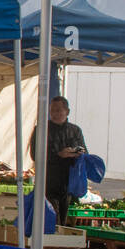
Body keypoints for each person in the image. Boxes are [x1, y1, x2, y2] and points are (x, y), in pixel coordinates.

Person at [30, 95, 87, 224]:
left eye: (58, 110)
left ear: (67, 112)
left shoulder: (75, 130)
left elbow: (84, 153)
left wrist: (75, 153)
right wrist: (59, 155)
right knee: (52, 218)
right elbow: (34, 154)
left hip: (68, 183)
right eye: (52, 111)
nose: (55, 114)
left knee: (63, 220)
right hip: (48, 181)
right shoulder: (41, 129)